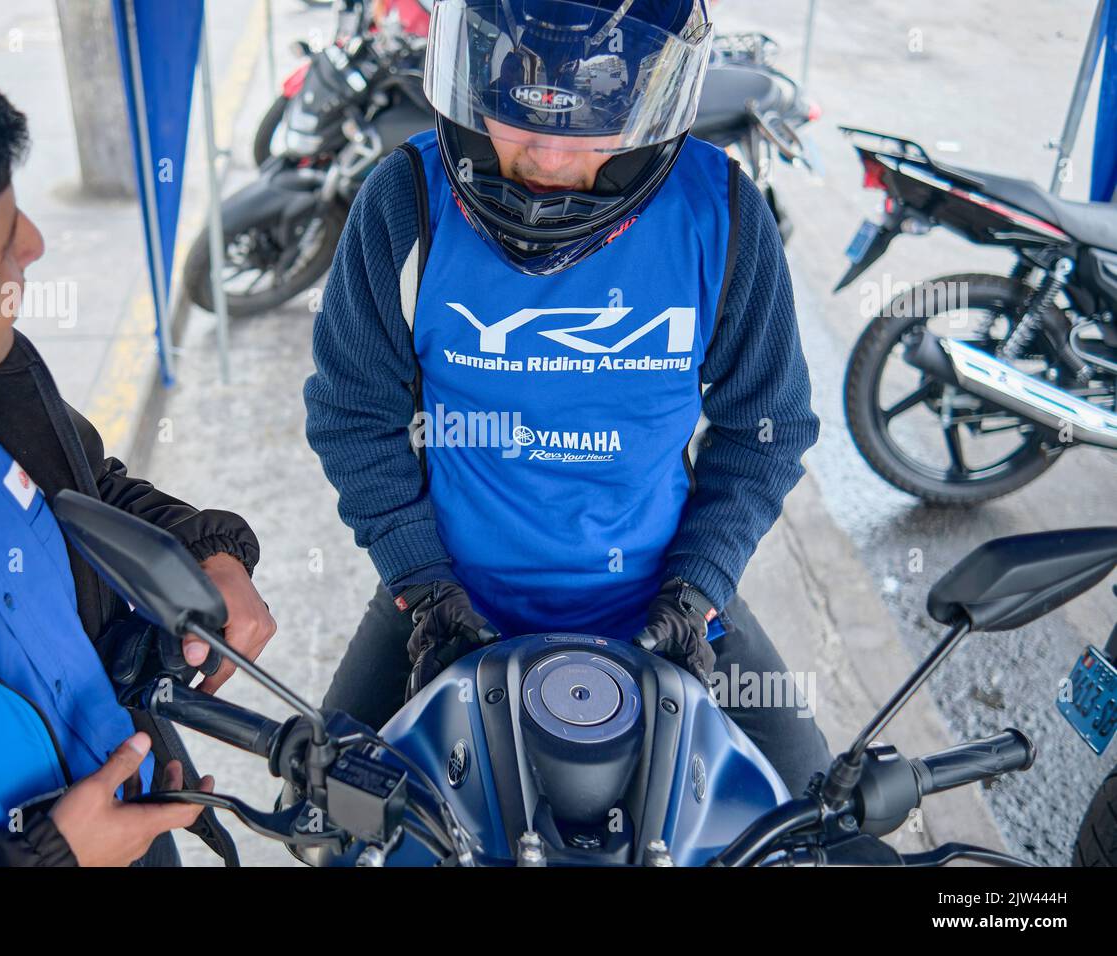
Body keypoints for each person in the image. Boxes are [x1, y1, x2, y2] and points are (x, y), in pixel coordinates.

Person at [305, 0, 832, 793]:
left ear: (645, 103)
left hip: (664, 604)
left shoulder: (721, 213)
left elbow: (766, 428)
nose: (547, 158)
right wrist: (421, 579)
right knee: (317, 813)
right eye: (519, 114)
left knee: (826, 822)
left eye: (586, 124)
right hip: (446, 598)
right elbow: (354, 416)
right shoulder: (404, 200)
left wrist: (700, 584)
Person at [0, 48, 276, 866]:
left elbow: (89, 489)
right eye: (0, 245)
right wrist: (47, 859)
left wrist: (206, 549)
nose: (34, 245)